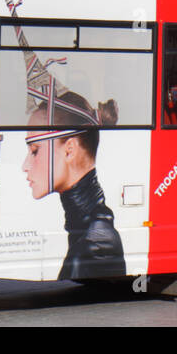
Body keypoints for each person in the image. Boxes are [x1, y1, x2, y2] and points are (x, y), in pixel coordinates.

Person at [22, 98, 126, 280]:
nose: (25, 166)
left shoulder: (94, 246)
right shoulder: (89, 235)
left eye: (35, 150)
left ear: (69, 149)